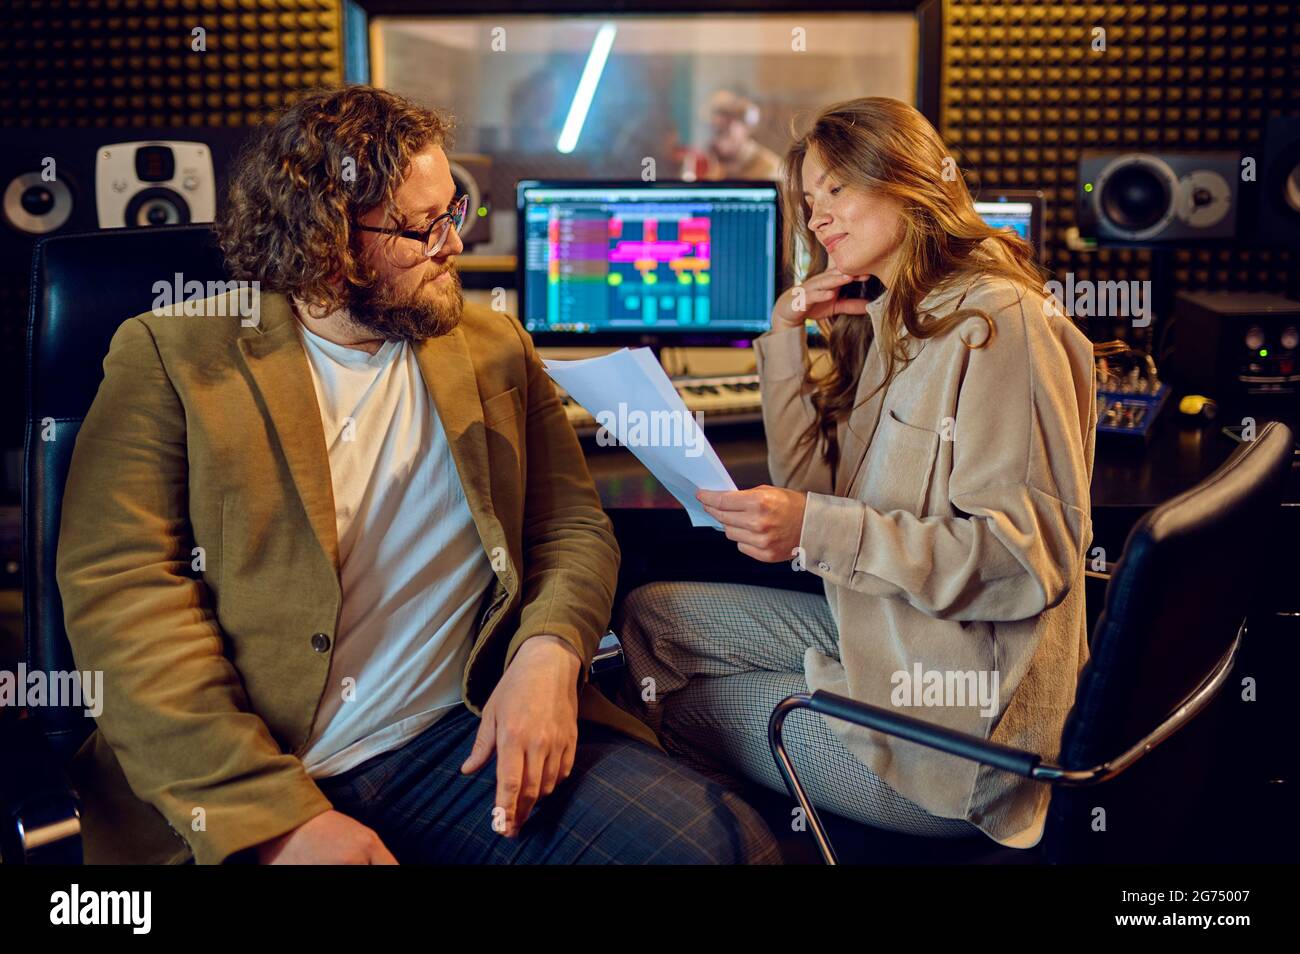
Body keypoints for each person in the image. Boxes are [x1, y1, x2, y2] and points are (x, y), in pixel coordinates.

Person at [56, 84, 779, 865]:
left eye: (454, 213)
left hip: (454, 732)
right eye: (421, 228)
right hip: (260, 761)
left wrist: (549, 653)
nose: (453, 244)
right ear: (325, 242)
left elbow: (571, 527)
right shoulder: (173, 356)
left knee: (724, 848)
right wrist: (277, 822)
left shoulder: (495, 344)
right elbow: (123, 604)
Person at [616, 96, 1098, 849]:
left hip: (958, 739)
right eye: (810, 202)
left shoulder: (998, 324)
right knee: (650, 618)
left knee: (673, 713)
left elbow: (1024, 562)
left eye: (837, 190)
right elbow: (814, 484)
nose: (818, 219)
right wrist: (785, 337)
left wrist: (820, 529)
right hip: (886, 638)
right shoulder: (905, 313)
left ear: (907, 181)